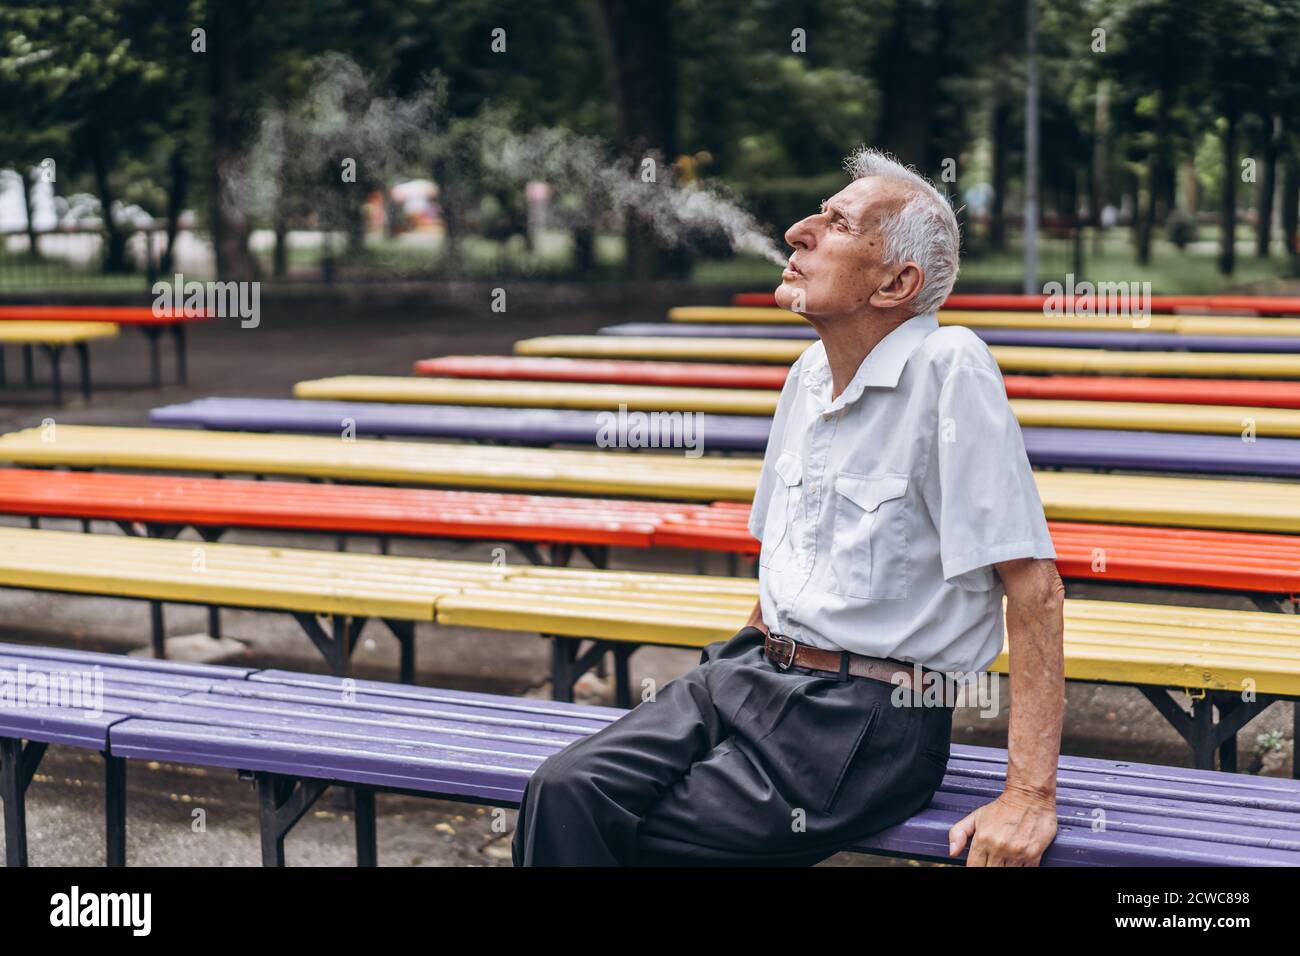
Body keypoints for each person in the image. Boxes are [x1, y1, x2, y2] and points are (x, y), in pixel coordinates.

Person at [512, 147, 1065, 867]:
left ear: (898, 282)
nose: (799, 232)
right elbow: (784, 562)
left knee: (646, 839)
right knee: (563, 789)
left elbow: (1035, 589)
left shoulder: (949, 366)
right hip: (750, 672)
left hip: (864, 719)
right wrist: (729, 674)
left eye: (836, 223)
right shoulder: (808, 372)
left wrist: (1027, 795)